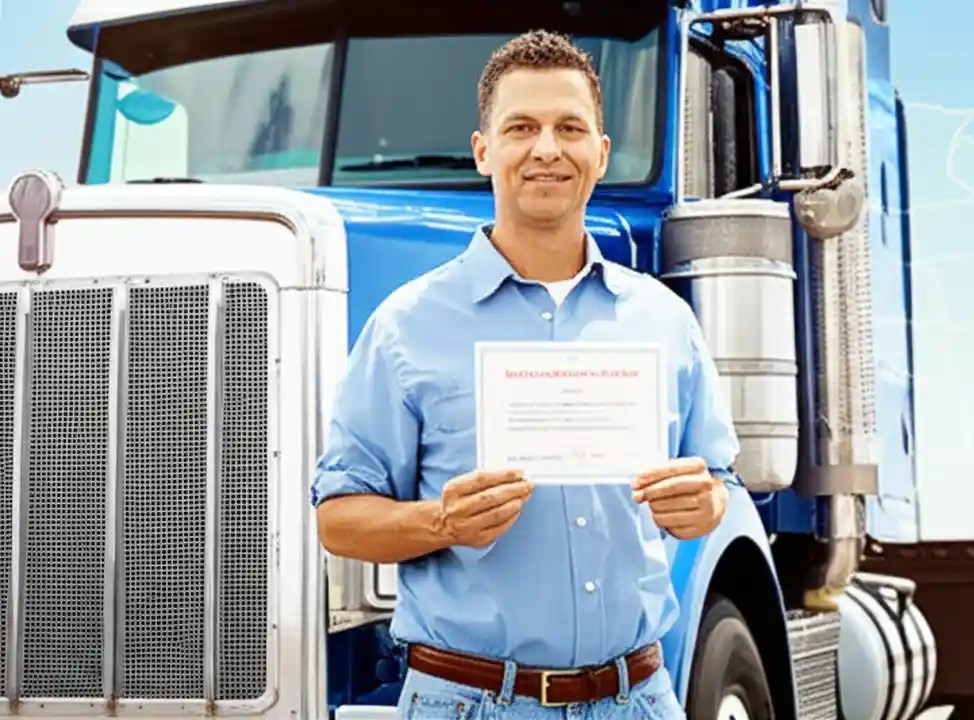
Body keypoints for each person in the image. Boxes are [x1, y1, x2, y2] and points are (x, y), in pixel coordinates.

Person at [310, 29, 743, 719]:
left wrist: (707, 505)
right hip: (471, 703)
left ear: (601, 153)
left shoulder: (665, 321)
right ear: (484, 150)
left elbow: (719, 484)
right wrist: (441, 521)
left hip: (638, 700)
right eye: (521, 128)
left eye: (570, 128)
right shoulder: (405, 327)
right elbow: (338, 520)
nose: (547, 148)